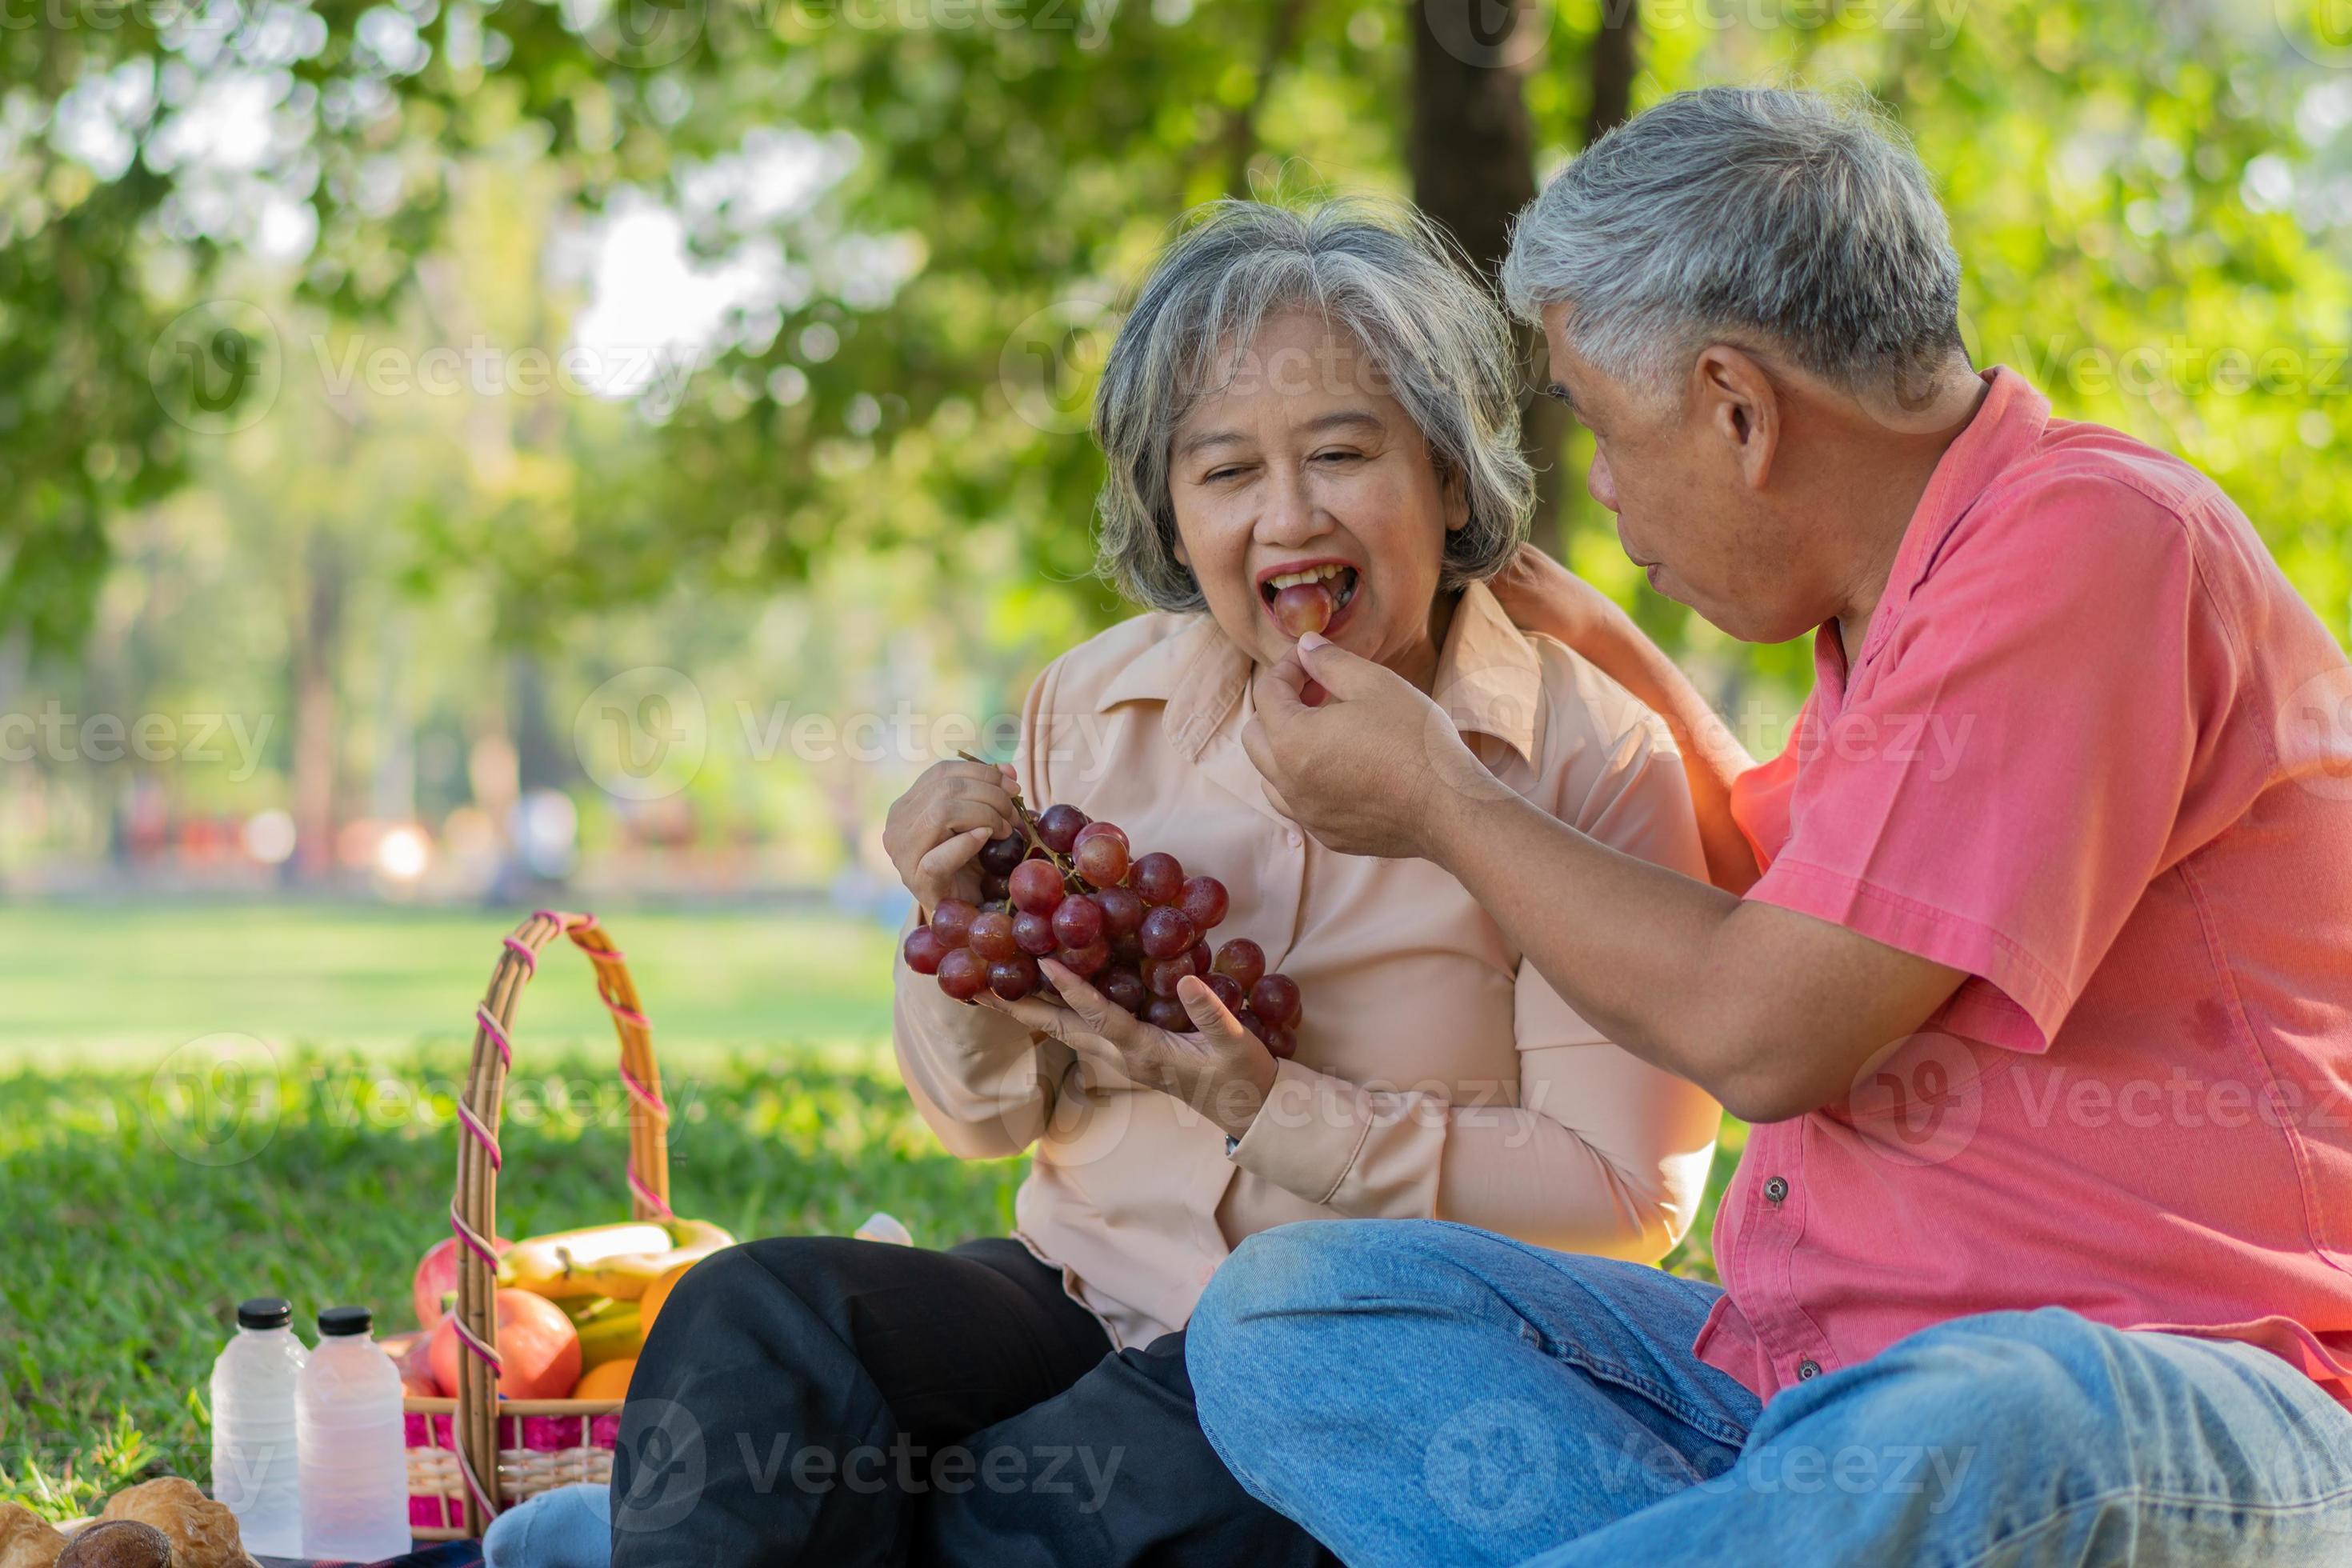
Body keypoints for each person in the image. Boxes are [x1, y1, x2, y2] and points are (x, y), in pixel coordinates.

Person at [1186, 86, 2352, 1565]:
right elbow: (1788, 893)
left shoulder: (2095, 549)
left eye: (1604, 431)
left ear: (1738, 409)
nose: (1603, 493)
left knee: (2002, 1412)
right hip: (1803, 1413)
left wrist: (1439, 797)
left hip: (2169, 1407)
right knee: (1298, 1316)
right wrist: (1625, 668)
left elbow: (1769, 1027)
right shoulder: (1898, 608)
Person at [606, 199, 1725, 1567]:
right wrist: (952, 924)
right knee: (755, 1322)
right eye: (1225, 472)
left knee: (1057, 1504)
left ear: (1447, 477)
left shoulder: (1585, 759)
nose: (1288, 516)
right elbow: (981, 1118)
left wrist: (1274, 1109)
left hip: (1339, 1356)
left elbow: (1624, 1200)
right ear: (1172, 513)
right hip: (1086, 1295)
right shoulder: (1094, 705)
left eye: (1341, 453)